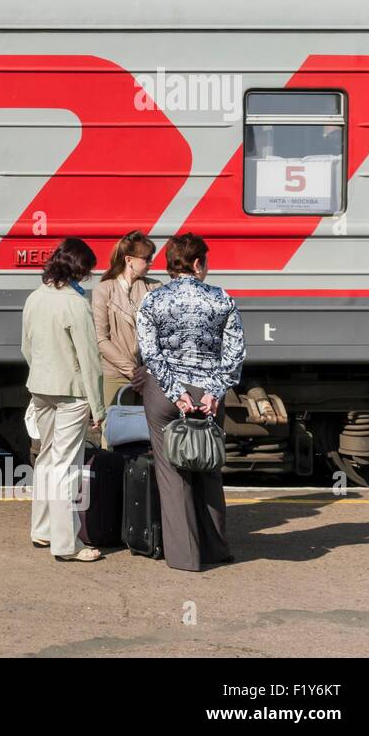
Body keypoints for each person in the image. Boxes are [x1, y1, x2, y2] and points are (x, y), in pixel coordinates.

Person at [136, 233, 246, 572]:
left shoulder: (152, 301)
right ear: (198, 264)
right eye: (207, 262)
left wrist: (176, 393)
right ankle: (216, 549)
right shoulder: (221, 298)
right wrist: (213, 392)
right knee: (209, 467)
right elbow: (235, 353)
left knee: (173, 475)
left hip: (166, 395)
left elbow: (149, 353)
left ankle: (185, 558)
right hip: (208, 392)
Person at [21, 237, 106, 562]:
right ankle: (67, 544)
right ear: (80, 269)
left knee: (44, 459)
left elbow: (26, 347)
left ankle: (41, 530)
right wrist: (97, 407)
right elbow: (89, 358)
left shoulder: (35, 298)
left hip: (40, 387)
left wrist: (41, 373)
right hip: (72, 392)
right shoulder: (75, 304)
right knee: (66, 467)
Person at [92, 231, 160, 445]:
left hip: (149, 374)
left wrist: (146, 368)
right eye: (146, 258)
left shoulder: (155, 287)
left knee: (148, 438)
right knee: (113, 435)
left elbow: (161, 334)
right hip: (115, 372)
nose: (151, 262)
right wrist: (133, 371)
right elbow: (100, 338)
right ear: (129, 260)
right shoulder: (104, 290)